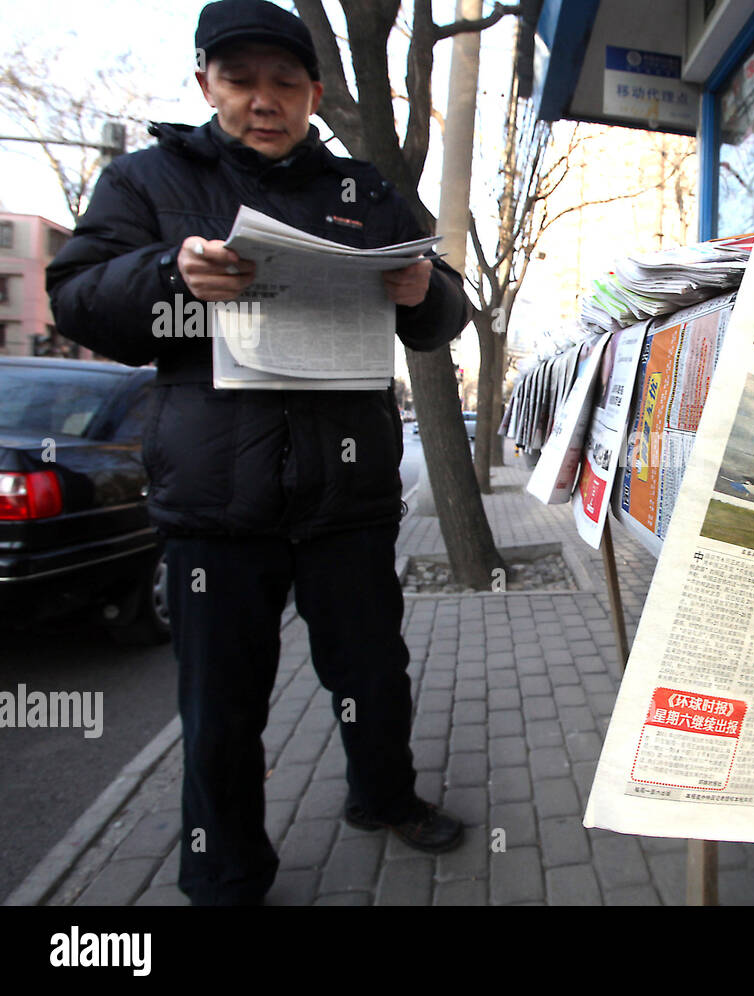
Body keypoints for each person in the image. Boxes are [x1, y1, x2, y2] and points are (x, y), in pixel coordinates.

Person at [46, 0, 472, 906]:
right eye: (240, 80)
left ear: (315, 92)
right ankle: (227, 873)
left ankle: (382, 795)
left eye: (285, 82)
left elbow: (443, 313)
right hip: (215, 505)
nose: (263, 100)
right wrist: (170, 274)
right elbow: (77, 300)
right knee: (222, 709)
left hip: (348, 495)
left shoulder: (363, 190)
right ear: (206, 83)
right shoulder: (147, 184)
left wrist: (424, 284)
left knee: (372, 672)